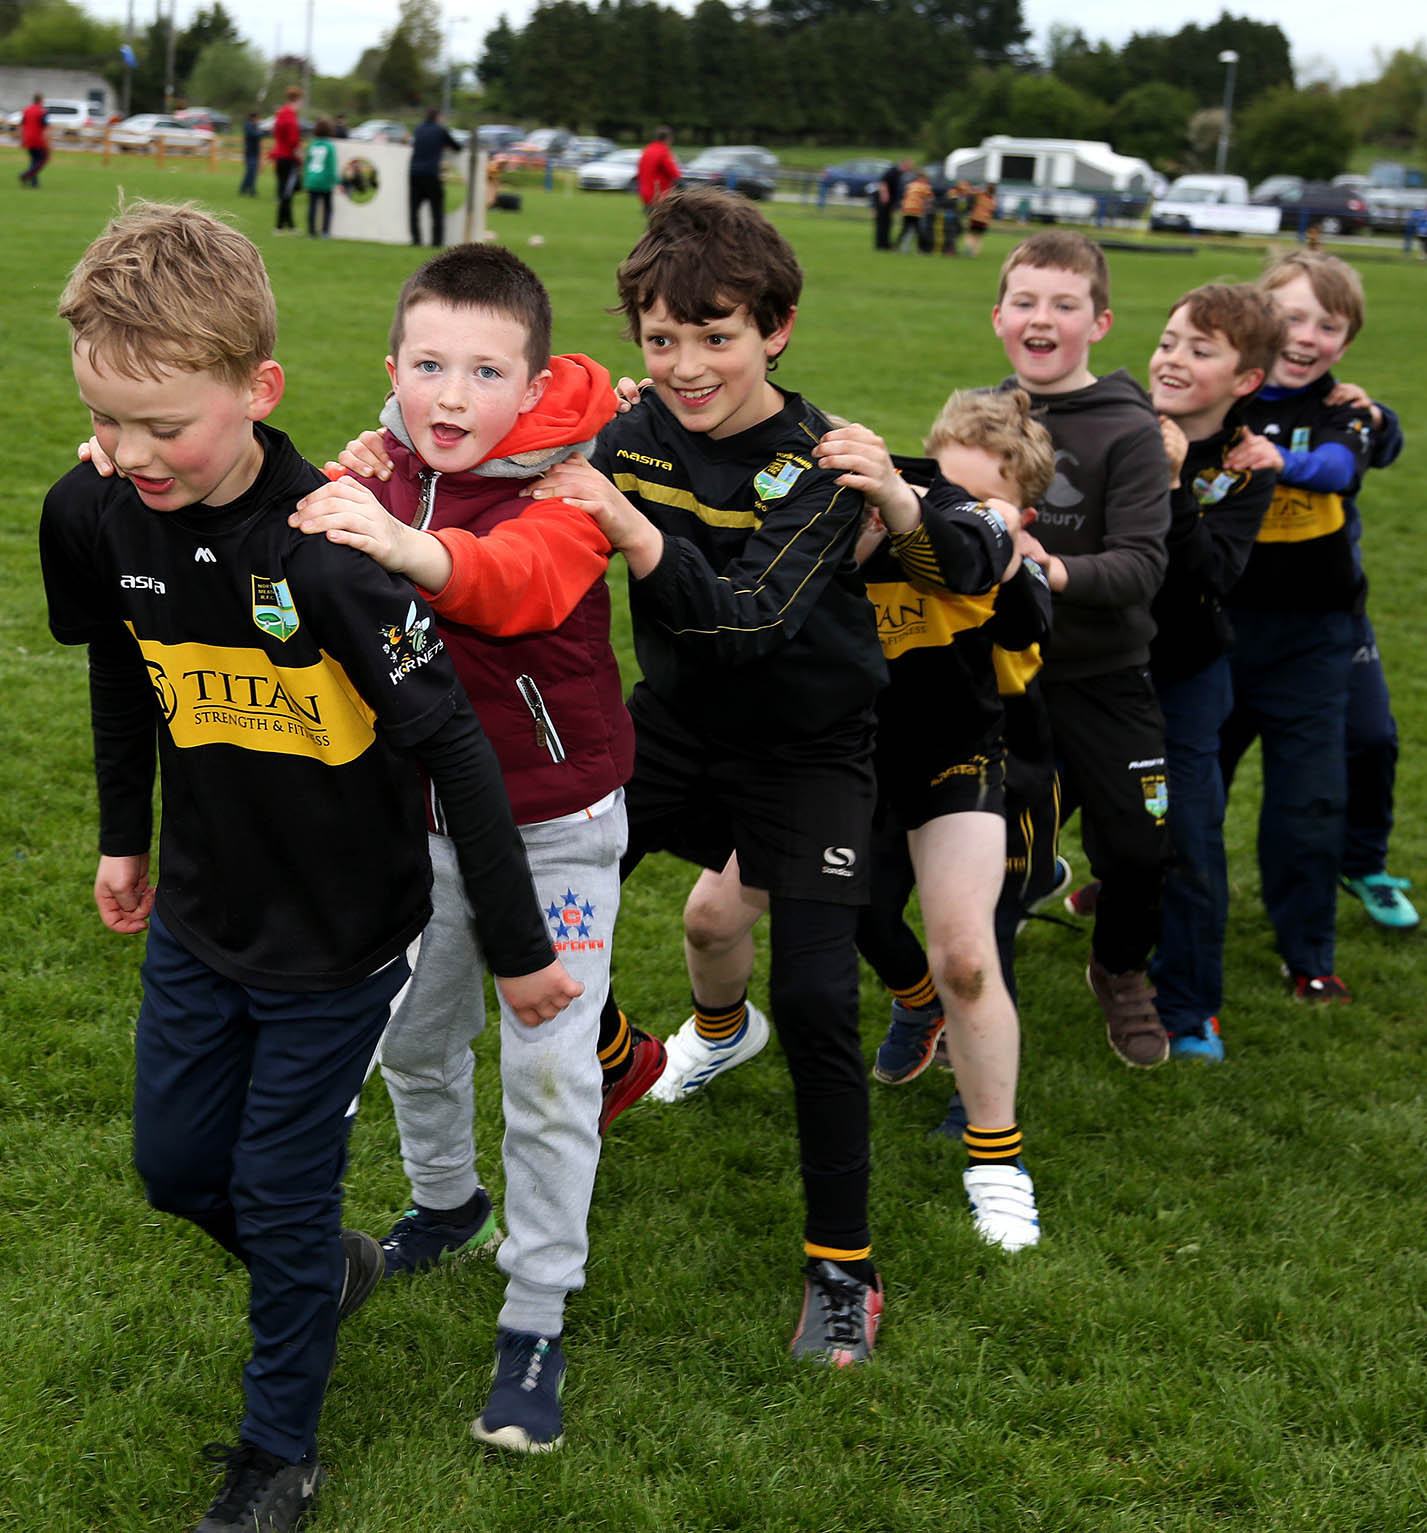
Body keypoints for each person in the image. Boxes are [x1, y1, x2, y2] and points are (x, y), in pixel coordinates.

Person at [41, 202, 577, 1531]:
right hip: (207, 909)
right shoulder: (94, 511)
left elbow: (453, 747)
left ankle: (277, 1448)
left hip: (343, 933)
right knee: (174, 1166)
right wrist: (125, 834)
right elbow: (122, 666)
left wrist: (515, 948)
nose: (131, 455)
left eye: (164, 425)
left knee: (277, 1183)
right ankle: (322, 1266)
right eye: (110, 421)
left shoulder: (328, 556)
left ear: (257, 390)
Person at [286, 242, 642, 1453]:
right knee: (415, 1039)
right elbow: (251, 505)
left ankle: (534, 1314)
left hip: (556, 830)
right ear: (393, 367)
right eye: (429, 364)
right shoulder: (377, 458)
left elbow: (509, 587)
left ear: (532, 384)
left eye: (485, 372)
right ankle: (446, 1202)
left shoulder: (567, 490)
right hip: (415, 817)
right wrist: (128, 459)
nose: (451, 396)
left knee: (548, 1076)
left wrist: (401, 547)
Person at [532, 189, 889, 1365]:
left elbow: (746, 620)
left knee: (820, 1002)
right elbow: (474, 457)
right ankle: (620, 1055)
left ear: (775, 328)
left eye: (716, 336)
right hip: (672, 729)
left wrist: (634, 533)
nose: (687, 365)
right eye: (662, 338)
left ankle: (843, 1269)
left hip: (809, 750)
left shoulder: (822, 463)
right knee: (523, 912)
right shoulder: (630, 431)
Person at [678, 389, 1054, 1253]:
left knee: (963, 957)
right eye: (934, 483)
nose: (943, 506)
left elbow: (1003, 585)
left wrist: (1004, 554)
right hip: (829, 761)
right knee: (707, 918)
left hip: (948, 763)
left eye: (977, 501)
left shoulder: (995, 559)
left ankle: (995, 1160)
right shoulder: (845, 511)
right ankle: (720, 1035)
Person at [1000, 230, 1173, 1068]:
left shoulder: (1129, 430)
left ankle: (1120, 967)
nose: (1042, 319)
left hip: (1107, 679)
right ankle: (971, 999)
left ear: (1097, 321)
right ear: (998, 316)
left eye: (1063, 305)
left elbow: (1142, 563)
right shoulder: (984, 414)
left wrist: (1049, 567)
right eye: (1026, 302)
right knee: (994, 854)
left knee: (1143, 847)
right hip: (1004, 677)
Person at [1217, 250, 1384, 1002]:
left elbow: (1338, 470)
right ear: (1257, 317)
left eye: (1327, 323)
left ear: (1344, 342)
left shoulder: (1345, 409)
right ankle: (1137, 903)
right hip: (1211, 634)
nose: (1306, 334)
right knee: (1183, 798)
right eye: (1290, 315)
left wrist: (1270, 457)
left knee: (1308, 801)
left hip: (1313, 642)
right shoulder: (1221, 395)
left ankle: (1307, 952)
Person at [1142, 283, 1283, 1060]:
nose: (1172, 359)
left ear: (1244, 381)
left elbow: (1209, 578)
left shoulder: (1242, 466)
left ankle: (1187, 1003)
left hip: (1188, 674)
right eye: (1168, 340)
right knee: (1018, 817)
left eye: (1200, 350)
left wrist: (1170, 490)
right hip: (1091, 666)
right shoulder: (1118, 421)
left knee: (1188, 836)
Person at [409, 106, 462, 247]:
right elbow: (457, 147)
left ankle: (416, 240)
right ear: (437, 117)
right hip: (431, 174)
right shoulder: (440, 130)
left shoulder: (418, 129)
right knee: (436, 211)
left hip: (414, 173)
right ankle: (436, 242)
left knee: (414, 210)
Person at [270, 86, 303, 233]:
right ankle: (279, 226)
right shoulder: (292, 117)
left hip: (279, 156)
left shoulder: (280, 114)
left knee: (284, 191)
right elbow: (293, 141)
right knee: (287, 194)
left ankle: (289, 225)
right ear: (298, 100)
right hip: (289, 158)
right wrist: (301, 158)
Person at [303, 117, 339, 237]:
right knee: (328, 208)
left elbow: (307, 163)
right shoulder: (329, 146)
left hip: (312, 178)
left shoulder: (312, 144)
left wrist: (306, 180)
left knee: (312, 207)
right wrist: (337, 181)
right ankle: (325, 231)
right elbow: (331, 165)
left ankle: (311, 232)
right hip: (325, 180)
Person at [637, 125, 679, 209]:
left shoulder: (647, 150)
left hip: (644, 193)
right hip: (660, 194)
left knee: (651, 219)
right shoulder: (663, 152)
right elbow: (674, 173)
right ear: (668, 139)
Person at [897, 168, 934, 253]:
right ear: (923, 178)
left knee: (905, 229)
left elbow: (904, 196)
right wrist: (928, 208)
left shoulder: (910, 185)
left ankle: (898, 247)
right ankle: (921, 249)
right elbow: (929, 199)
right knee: (919, 231)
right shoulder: (925, 186)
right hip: (917, 210)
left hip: (906, 209)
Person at [18, 92, 48, 187]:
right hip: (37, 140)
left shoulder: (26, 110)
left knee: (34, 160)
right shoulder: (41, 112)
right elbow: (45, 127)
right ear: (40, 100)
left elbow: (22, 124)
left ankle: (34, 183)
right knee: (41, 160)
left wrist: (22, 139)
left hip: (27, 139)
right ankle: (25, 175)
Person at [966, 182, 997, 257]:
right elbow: (991, 212)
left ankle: (969, 248)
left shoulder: (981, 195)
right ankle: (975, 253)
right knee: (979, 238)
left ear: (986, 189)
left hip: (975, 218)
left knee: (970, 234)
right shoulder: (993, 201)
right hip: (984, 221)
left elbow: (971, 192)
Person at [238, 110, 263, 197]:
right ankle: (251, 190)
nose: (259, 120)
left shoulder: (254, 126)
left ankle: (244, 189)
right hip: (250, 153)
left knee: (251, 172)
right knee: (251, 172)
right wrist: (259, 131)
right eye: (258, 118)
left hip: (255, 153)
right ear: (254, 118)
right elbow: (256, 135)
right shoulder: (248, 126)